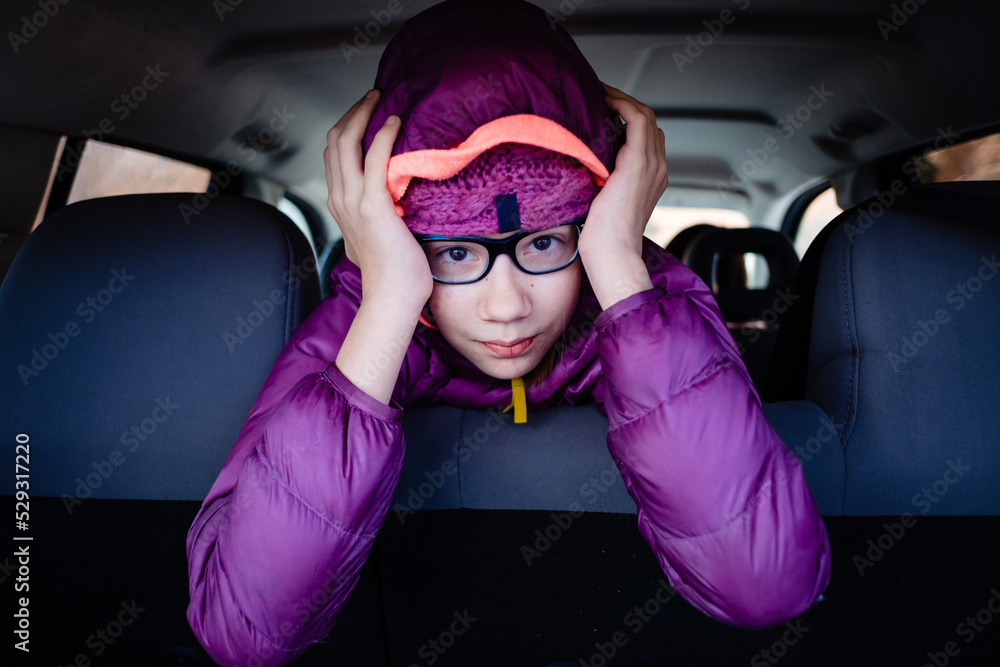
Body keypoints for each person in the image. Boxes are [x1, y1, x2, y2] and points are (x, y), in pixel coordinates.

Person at [185, 1, 831, 665]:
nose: (506, 306)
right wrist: (389, 304)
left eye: (548, 240)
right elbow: (240, 629)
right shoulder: (363, 321)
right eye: (453, 253)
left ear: (605, 216)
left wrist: (617, 268)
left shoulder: (652, 306)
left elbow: (768, 581)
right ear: (390, 237)